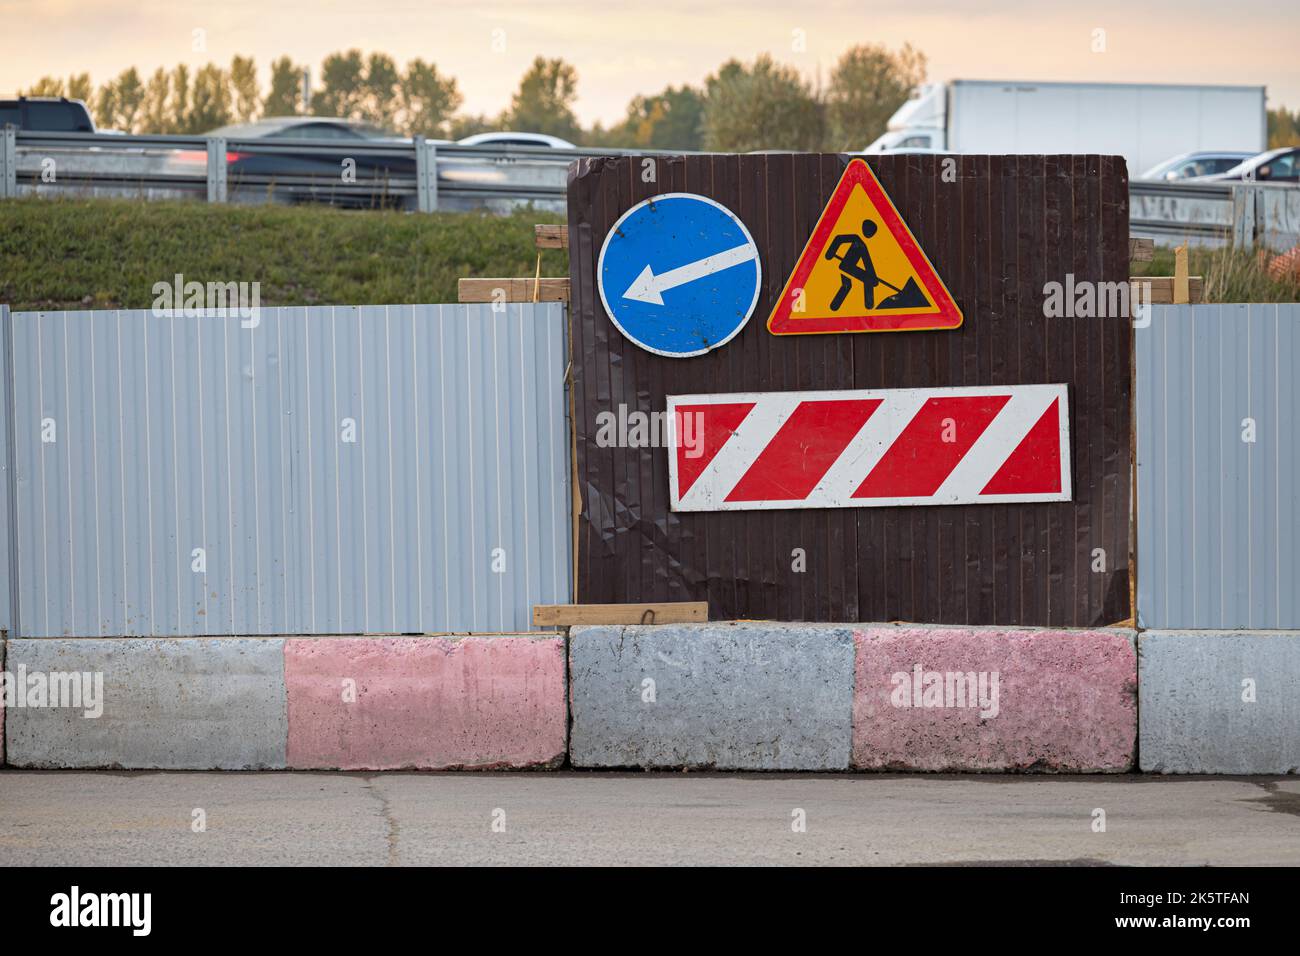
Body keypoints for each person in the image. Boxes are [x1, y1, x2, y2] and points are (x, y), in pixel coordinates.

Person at [824, 220, 880, 310]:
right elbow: (839, 239)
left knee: (847, 286)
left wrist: (873, 277)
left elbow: (867, 262)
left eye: (871, 232)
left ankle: (834, 307)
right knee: (864, 280)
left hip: (848, 267)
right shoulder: (857, 239)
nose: (869, 234)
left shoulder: (862, 245)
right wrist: (830, 252)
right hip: (847, 266)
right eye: (869, 231)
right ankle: (869, 305)